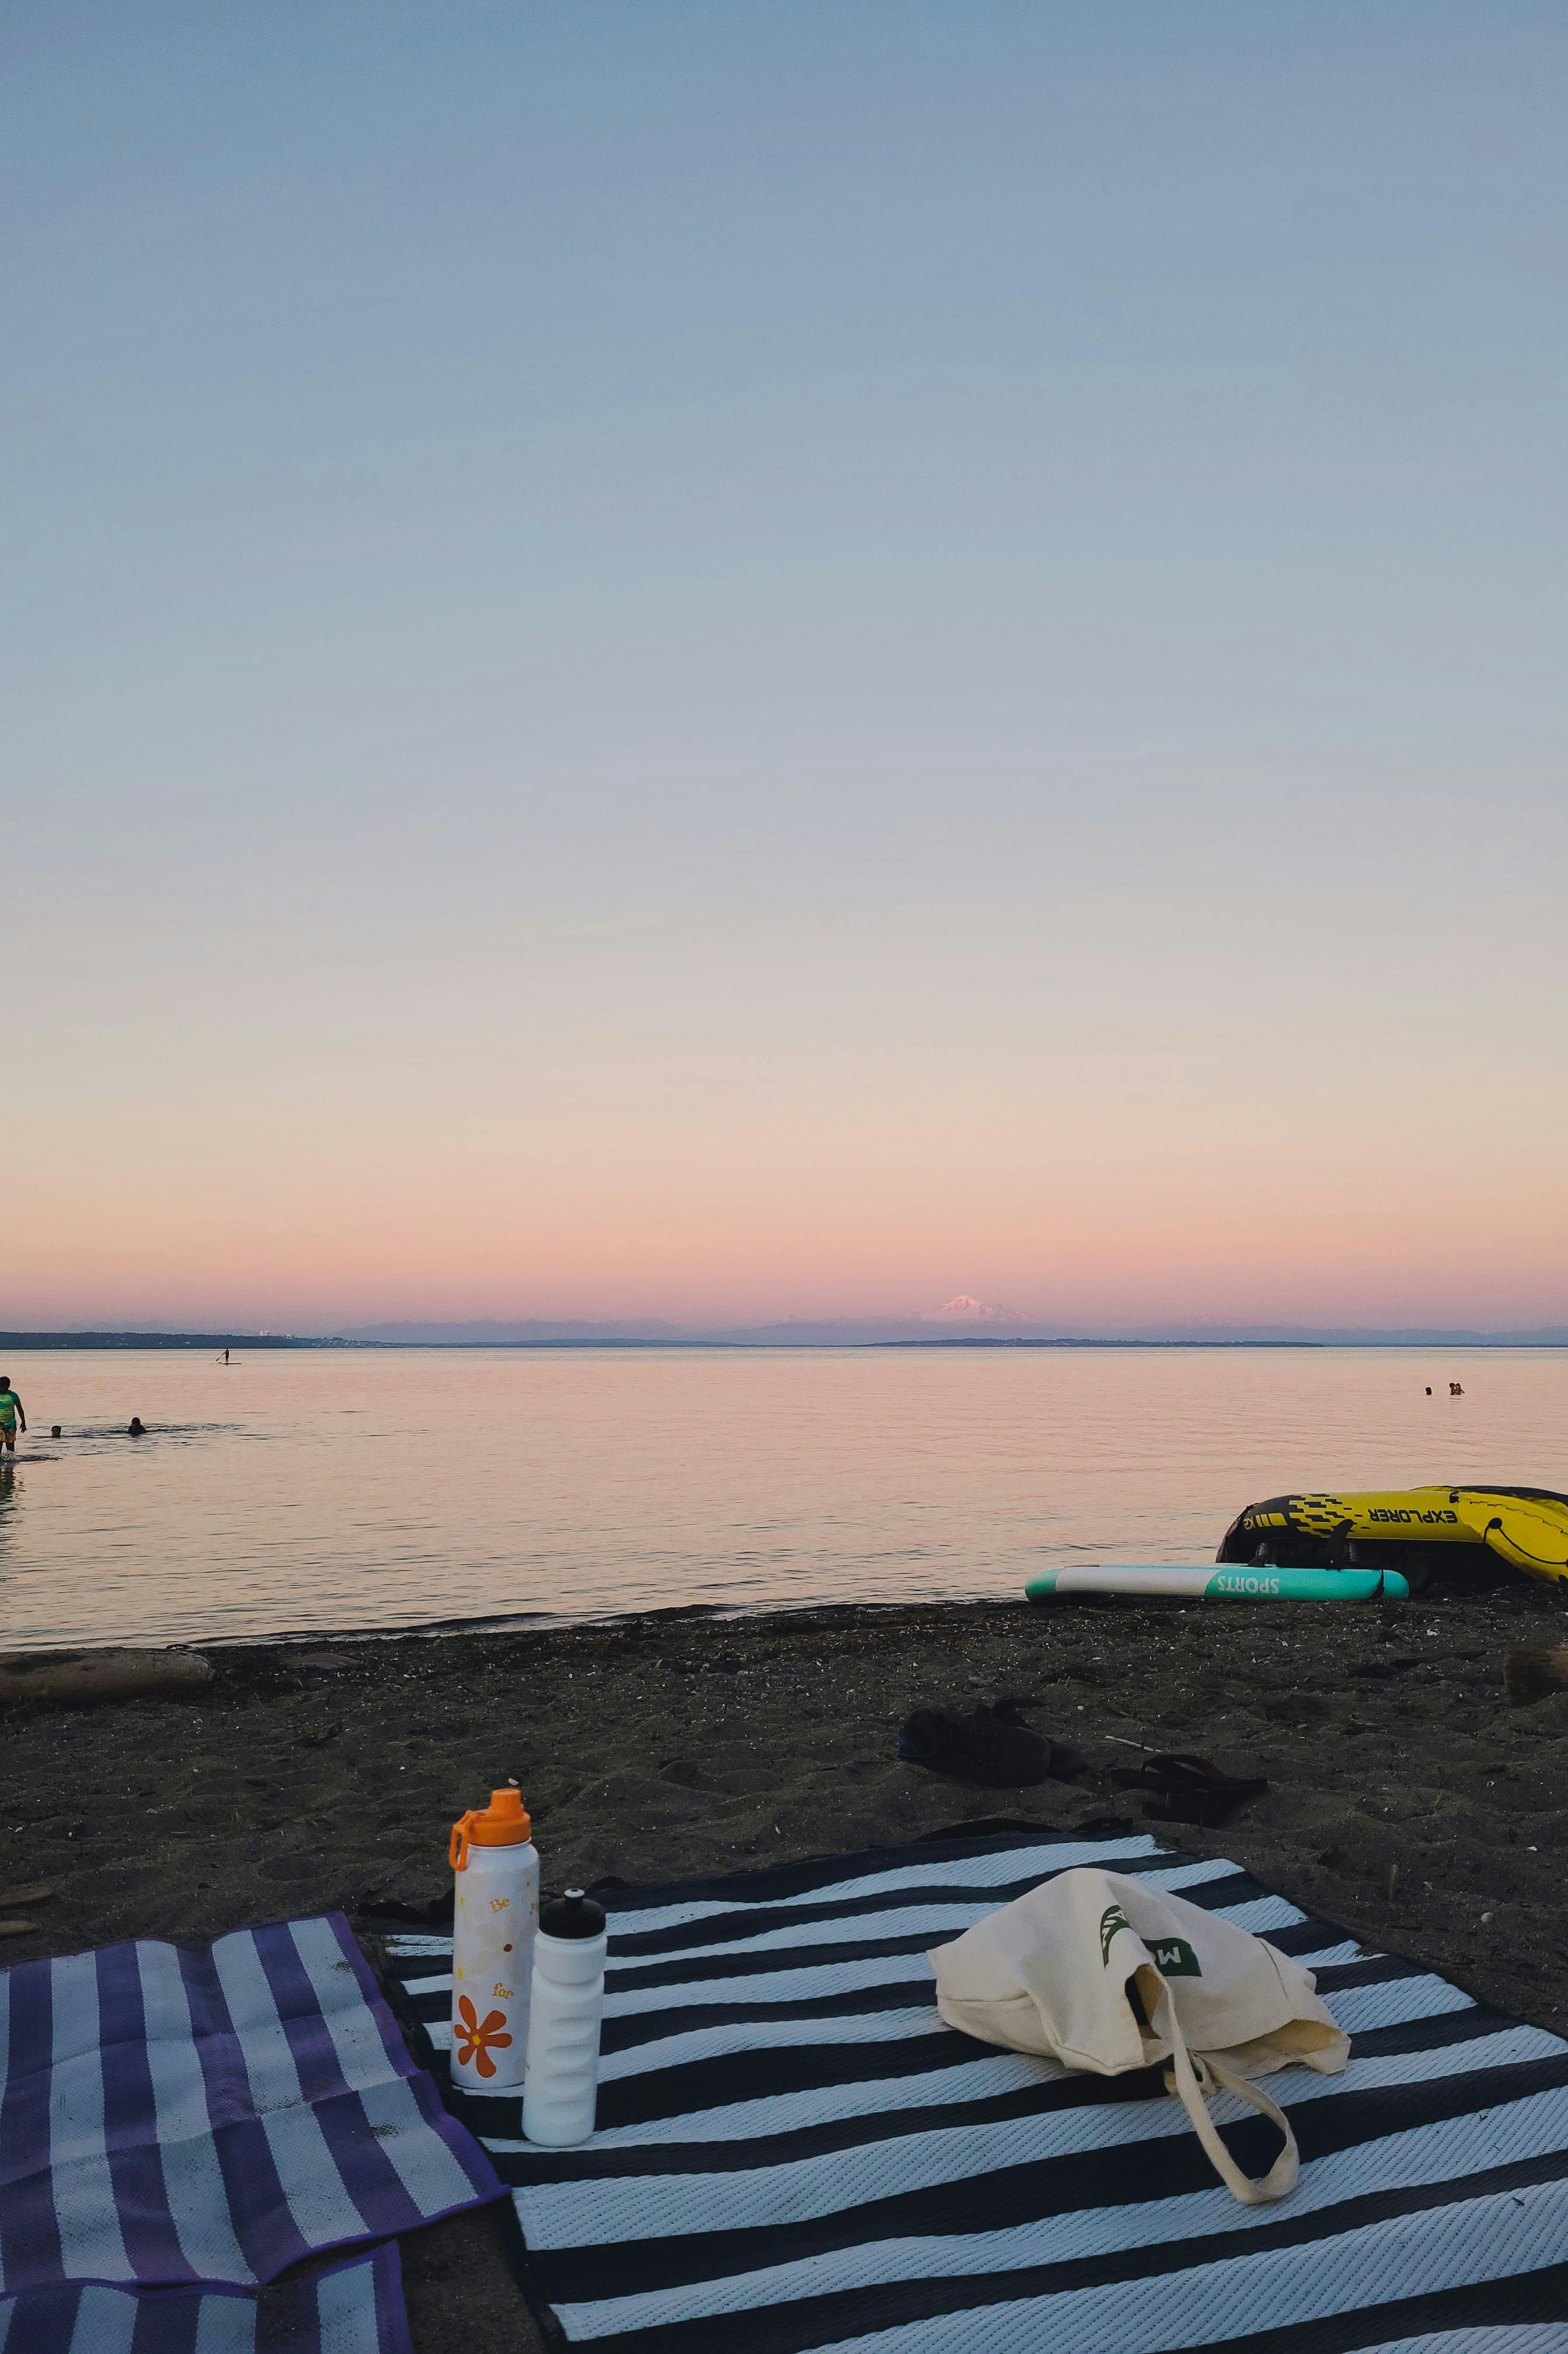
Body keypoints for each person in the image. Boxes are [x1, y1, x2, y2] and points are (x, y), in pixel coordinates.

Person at [0, 1377, 25, 1453]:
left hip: (11, 1426)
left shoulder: (13, 1396)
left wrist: (23, 1422)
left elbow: (20, 1409)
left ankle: (11, 1465)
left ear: (8, 1386)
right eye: (1, 1386)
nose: (2, 1389)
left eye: (4, 1386)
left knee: (11, 1451)